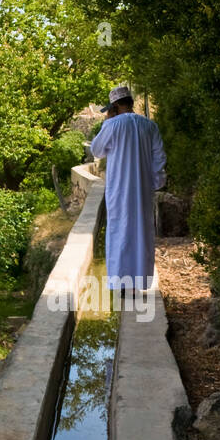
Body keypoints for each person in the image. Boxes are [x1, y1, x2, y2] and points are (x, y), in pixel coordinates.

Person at [88, 85, 167, 306]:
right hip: (142, 189)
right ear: (131, 103)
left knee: (120, 232)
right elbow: (159, 158)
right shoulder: (149, 126)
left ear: (114, 107)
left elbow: (96, 150)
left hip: (120, 189)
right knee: (141, 232)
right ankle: (139, 281)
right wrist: (156, 182)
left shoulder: (112, 125)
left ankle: (122, 284)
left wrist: (107, 122)